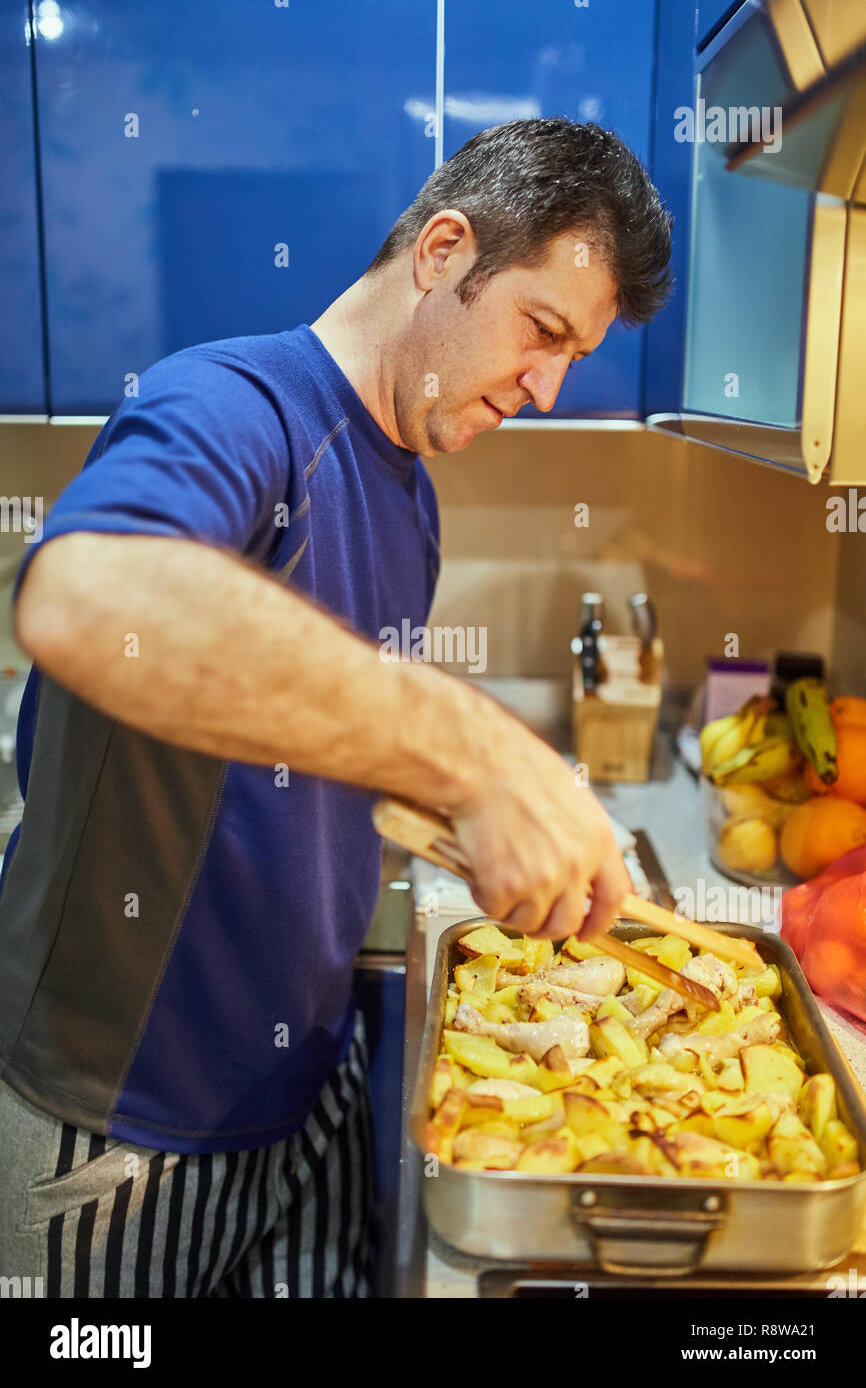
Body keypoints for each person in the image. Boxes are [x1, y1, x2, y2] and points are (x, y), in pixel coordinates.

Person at [0, 118, 671, 1298]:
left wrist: (483, 823)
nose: (547, 388)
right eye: (541, 332)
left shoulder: (406, 489)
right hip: (122, 1129)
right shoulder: (231, 404)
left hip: (301, 1084)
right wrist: (471, 750)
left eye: (573, 355)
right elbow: (87, 597)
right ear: (442, 250)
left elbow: (314, 749)